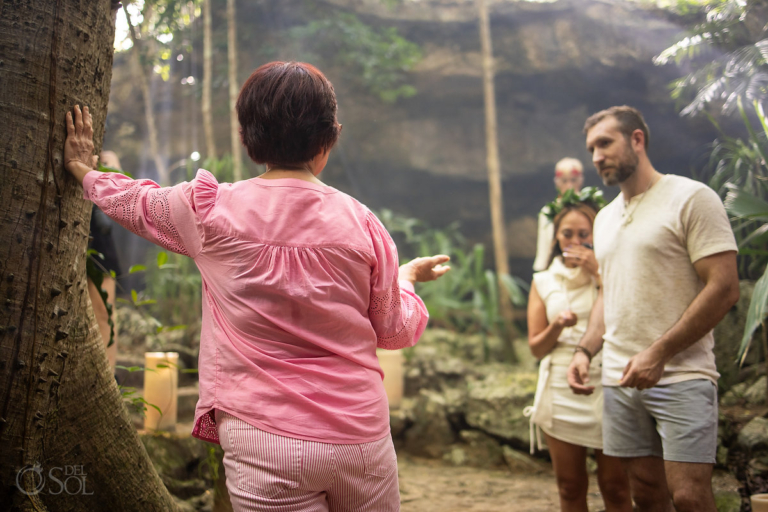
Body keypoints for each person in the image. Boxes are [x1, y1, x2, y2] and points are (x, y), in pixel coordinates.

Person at [64, 62, 450, 512]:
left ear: (248, 138)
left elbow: (135, 203)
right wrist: (406, 280)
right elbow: (394, 331)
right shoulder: (364, 225)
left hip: (263, 439)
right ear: (329, 139)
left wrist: (83, 170)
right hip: (358, 436)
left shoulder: (207, 211)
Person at [567, 105, 739, 512]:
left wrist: (659, 352)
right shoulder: (605, 219)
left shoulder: (691, 198)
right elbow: (609, 293)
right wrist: (584, 350)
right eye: (591, 148)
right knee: (644, 492)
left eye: (605, 143)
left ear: (637, 140)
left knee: (689, 496)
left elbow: (725, 287)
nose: (596, 157)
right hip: (619, 379)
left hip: (683, 375)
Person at [525, 191, 632, 512]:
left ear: (596, 235)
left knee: (615, 487)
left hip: (610, 382)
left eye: (583, 234)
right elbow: (536, 348)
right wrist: (557, 325)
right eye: (567, 234)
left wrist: (599, 273)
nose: (574, 240)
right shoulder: (542, 281)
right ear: (556, 238)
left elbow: (627, 316)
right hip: (560, 386)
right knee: (570, 487)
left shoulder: (611, 272)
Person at [86, 150, 123, 370]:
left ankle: (109, 374)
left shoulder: (105, 156)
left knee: (104, 311)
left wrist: (106, 165)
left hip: (98, 239)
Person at [533, 158, 585, 271]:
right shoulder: (548, 212)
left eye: (573, 180)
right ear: (557, 182)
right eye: (564, 181)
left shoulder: (589, 208)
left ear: (580, 180)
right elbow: (544, 247)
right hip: (556, 268)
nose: (569, 186)